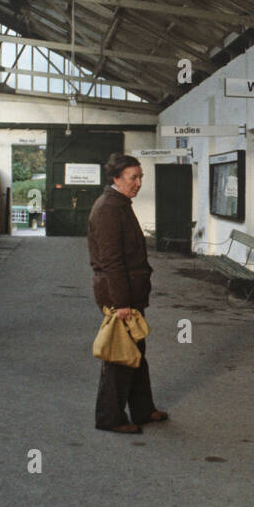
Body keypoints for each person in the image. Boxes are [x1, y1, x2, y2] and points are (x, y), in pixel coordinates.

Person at [88, 154, 168, 435]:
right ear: (116, 179)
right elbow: (111, 261)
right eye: (133, 177)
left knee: (136, 350)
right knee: (121, 355)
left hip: (128, 290)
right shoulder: (109, 208)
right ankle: (109, 417)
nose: (138, 183)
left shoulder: (118, 204)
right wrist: (121, 304)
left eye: (140, 177)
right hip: (118, 293)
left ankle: (143, 409)